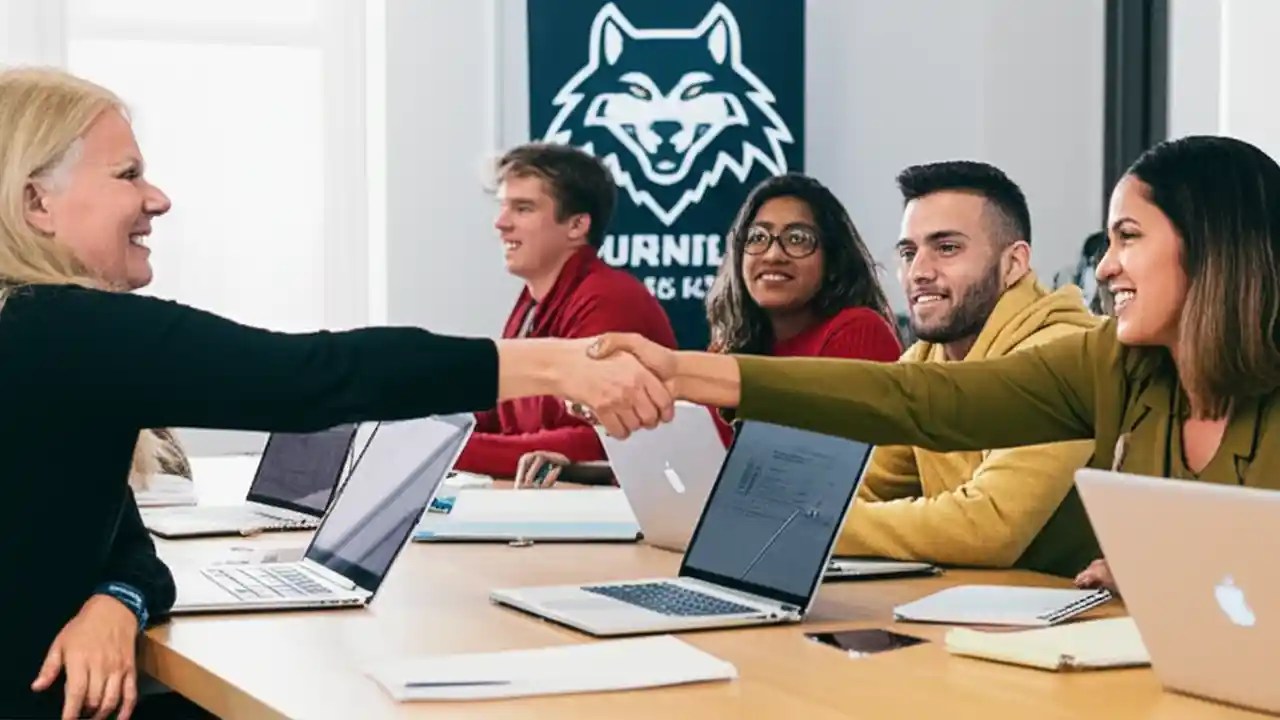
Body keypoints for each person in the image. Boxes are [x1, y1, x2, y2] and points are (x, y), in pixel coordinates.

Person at [0, 68, 668, 719]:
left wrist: (116, 598)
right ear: (36, 203)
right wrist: (553, 365)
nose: (157, 198)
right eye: (127, 175)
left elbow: (128, 549)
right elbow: (312, 376)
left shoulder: (45, 335)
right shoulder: (55, 330)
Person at [584, 134, 1280, 597]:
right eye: (911, 250)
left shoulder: (1073, 340)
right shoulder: (1120, 363)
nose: (1104, 265)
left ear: (1214, 248)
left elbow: (984, 520)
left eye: (1129, 237)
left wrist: (1182, 579)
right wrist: (680, 373)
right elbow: (919, 400)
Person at [835, 161, 1098, 577]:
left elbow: (986, 526)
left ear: (1014, 263)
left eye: (947, 248)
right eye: (909, 252)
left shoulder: (1066, 353)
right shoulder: (926, 357)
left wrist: (811, 523)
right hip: (968, 614)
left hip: (1073, 628)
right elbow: (860, 486)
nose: (919, 272)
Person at [448, 143, 675, 489]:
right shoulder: (533, 300)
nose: (501, 223)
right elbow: (492, 410)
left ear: (577, 225)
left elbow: (602, 439)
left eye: (523, 209)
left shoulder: (609, 299)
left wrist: (448, 452)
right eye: (503, 207)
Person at [701, 173, 901, 446]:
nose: (773, 255)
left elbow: (826, 469)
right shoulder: (726, 349)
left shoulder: (859, 332)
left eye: (797, 239)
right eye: (757, 237)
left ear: (832, 257)